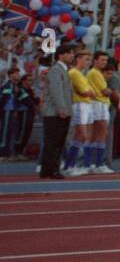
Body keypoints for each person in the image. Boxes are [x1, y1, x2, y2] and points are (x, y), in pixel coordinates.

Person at [39, 43, 74, 179]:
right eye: (69, 53)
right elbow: (56, 91)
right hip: (54, 111)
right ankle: (51, 169)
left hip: (60, 110)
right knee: (54, 141)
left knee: (57, 141)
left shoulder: (64, 70)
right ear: (61, 55)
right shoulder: (56, 70)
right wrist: (62, 108)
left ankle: (48, 169)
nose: (72, 56)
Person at [63, 50, 96, 176]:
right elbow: (86, 92)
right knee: (80, 135)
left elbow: (92, 92)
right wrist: (90, 93)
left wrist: (91, 93)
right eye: (86, 59)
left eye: (89, 59)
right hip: (79, 105)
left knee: (82, 136)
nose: (89, 62)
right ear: (78, 59)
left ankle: (71, 165)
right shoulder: (74, 73)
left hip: (86, 104)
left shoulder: (82, 74)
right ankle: (69, 165)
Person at [84, 51, 114, 174]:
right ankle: (97, 164)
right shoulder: (95, 73)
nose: (104, 62)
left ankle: (91, 163)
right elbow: (106, 91)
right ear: (95, 60)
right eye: (102, 60)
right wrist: (109, 91)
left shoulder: (96, 73)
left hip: (100, 103)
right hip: (98, 103)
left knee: (97, 134)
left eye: (106, 60)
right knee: (100, 134)